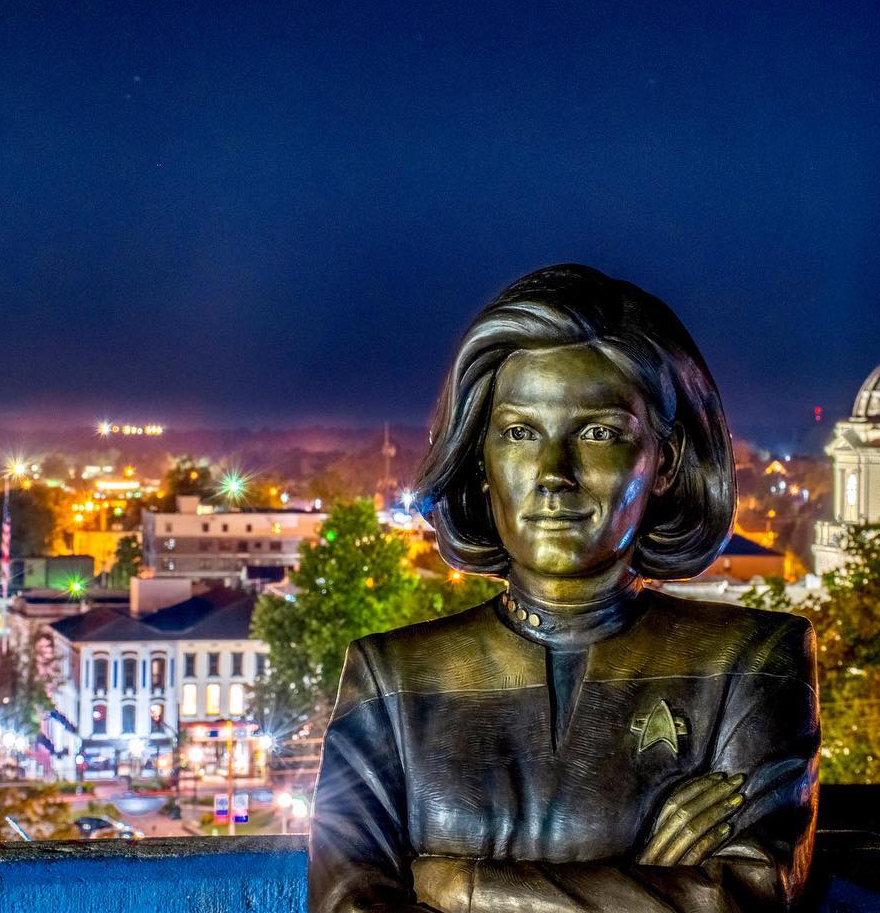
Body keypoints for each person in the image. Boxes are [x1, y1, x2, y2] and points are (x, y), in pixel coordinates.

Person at [309, 265, 819, 912]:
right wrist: (644, 883)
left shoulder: (750, 664)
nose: (554, 474)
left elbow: (744, 900)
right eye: (521, 433)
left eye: (599, 433)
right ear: (481, 460)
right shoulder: (391, 679)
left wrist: (458, 886)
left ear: (663, 460)